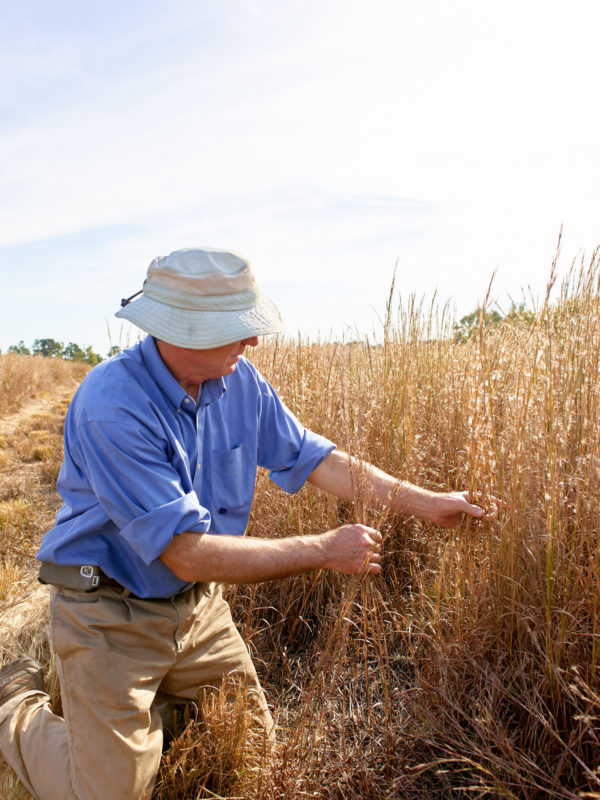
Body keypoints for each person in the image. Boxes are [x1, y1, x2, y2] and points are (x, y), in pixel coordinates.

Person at [0, 248, 495, 800]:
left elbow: (319, 461)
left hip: (196, 607)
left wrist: (429, 504)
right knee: (108, 793)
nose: (254, 340)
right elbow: (184, 552)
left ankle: (146, 708)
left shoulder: (241, 383)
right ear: (182, 331)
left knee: (252, 745)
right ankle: (13, 705)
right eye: (237, 328)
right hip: (108, 614)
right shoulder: (112, 406)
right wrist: (324, 550)